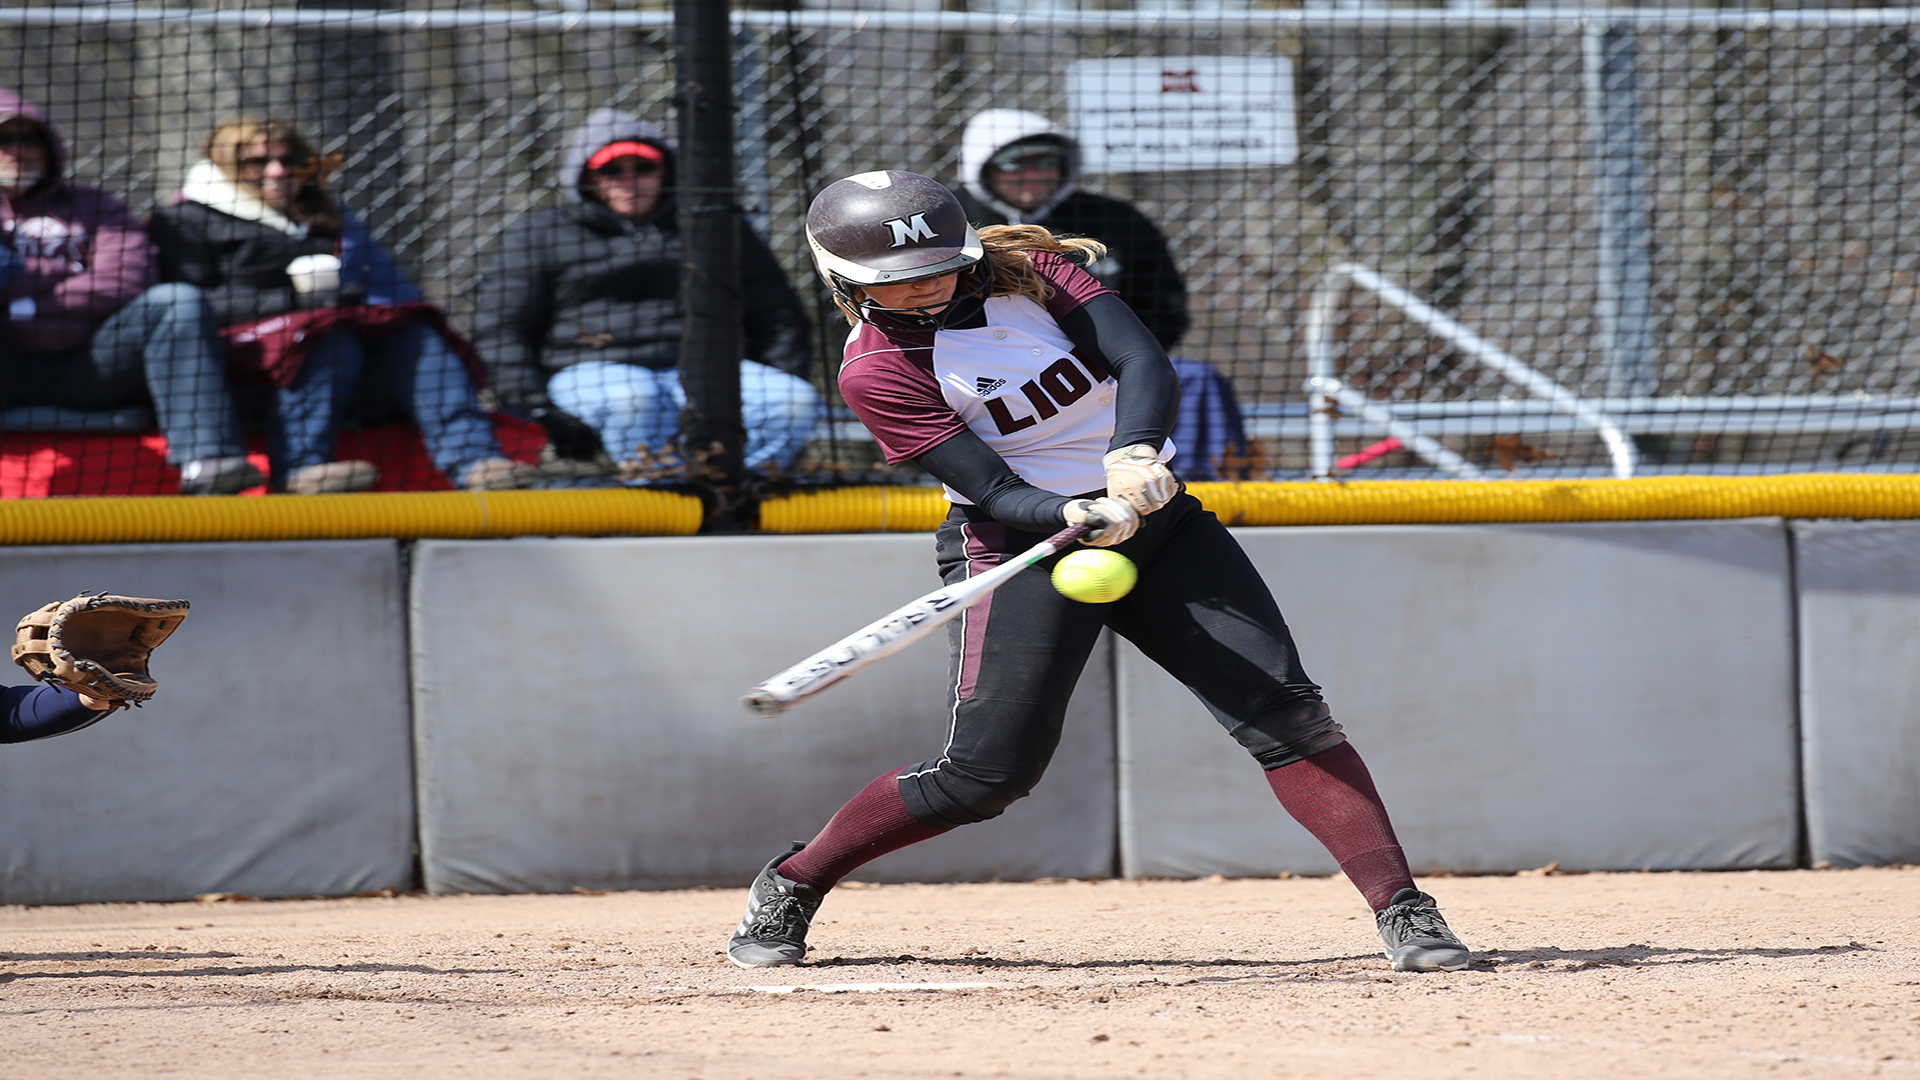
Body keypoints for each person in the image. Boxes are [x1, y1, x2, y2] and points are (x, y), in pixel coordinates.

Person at [726, 171, 1470, 974]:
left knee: (1288, 716)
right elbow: (994, 488)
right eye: (902, 281)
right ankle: (796, 880)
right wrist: (1069, 513)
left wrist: (1134, 451)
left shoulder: (1031, 276)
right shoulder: (876, 370)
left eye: (939, 265)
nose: (929, 285)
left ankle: (1404, 908)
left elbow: (1139, 357)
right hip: (1019, 548)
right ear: (849, 281)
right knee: (984, 777)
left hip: (1157, 519)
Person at [148, 118, 536, 494]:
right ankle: (301, 468)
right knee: (327, 331)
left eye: (290, 160)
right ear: (225, 167)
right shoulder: (184, 220)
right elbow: (191, 312)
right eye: (258, 162)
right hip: (246, 375)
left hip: (340, 363)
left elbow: (390, 293)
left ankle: (476, 462)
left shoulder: (324, 214)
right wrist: (301, 302)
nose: (278, 171)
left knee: (414, 329)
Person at [472, 109, 824, 476]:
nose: (629, 181)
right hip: (590, 371)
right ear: (587, 176)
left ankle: (734, 490)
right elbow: (501, 330)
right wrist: (539, 409)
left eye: (643, 167)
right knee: (635, 398)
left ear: (666, 171)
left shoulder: (712, 225)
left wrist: (785, 372)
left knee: (791, 401)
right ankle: (661, 495)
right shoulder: (539, 233)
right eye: (611, 170)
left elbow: (779, 315)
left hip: (707, 371)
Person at [0, 91, 264, 496]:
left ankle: (208, 462)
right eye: (4, 141)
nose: (18, 152)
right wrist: (64, 272)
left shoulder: (96, 206)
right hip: (7, 361)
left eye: (29, 140)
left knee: (176, 302)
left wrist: (23, 300)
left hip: (91, 362)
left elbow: (124, 281)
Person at [952, 108, 1189, 353]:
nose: (1033, 175)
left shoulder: (1114, 219)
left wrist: (1122, 362)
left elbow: (1163, 307)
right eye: (1013, 164)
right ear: (984, 169)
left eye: (1046, 162)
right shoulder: (951, 220)